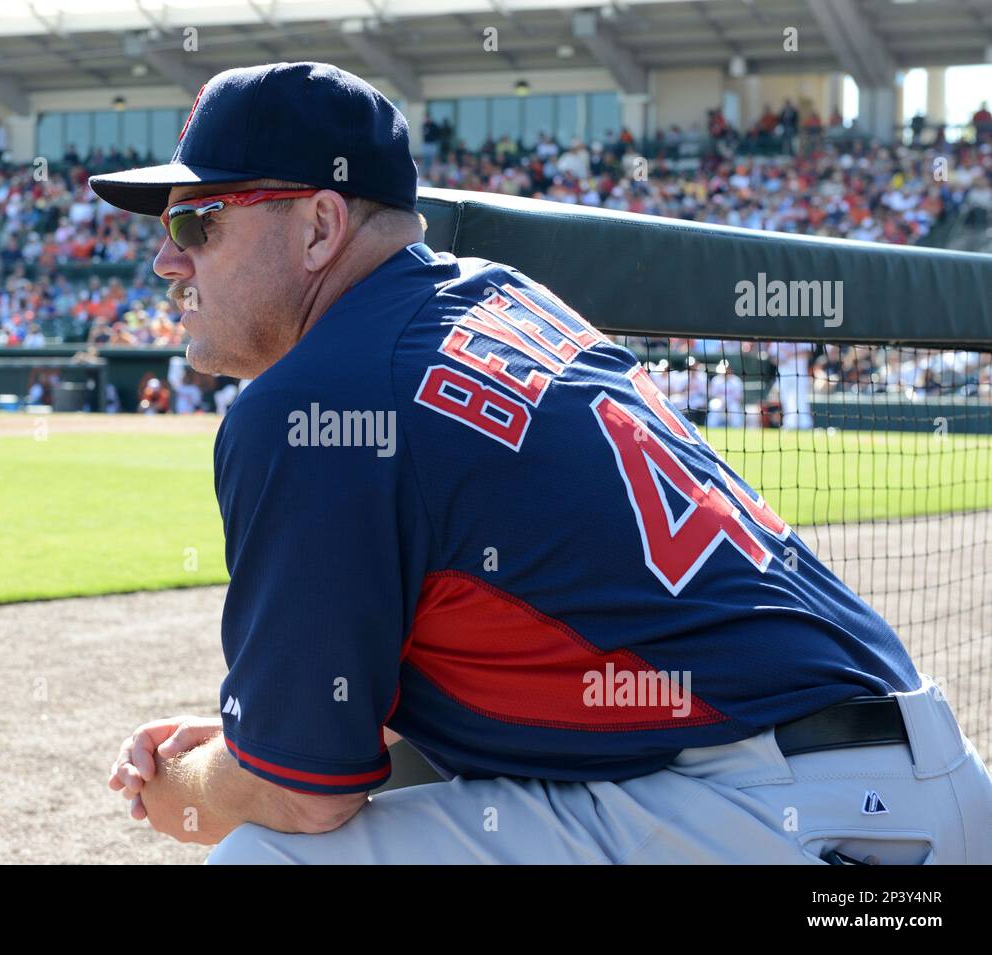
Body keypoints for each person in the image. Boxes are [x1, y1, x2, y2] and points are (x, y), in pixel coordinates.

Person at [92, 61, 992, 864]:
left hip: (798, 825)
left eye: (199, 219)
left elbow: (302, 797)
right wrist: (253, 743)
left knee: (265, 857)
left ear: (322, 225)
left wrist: (185, 788)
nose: (168, 258)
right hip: (905, 796)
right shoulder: (505, 299)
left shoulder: (311, 404)